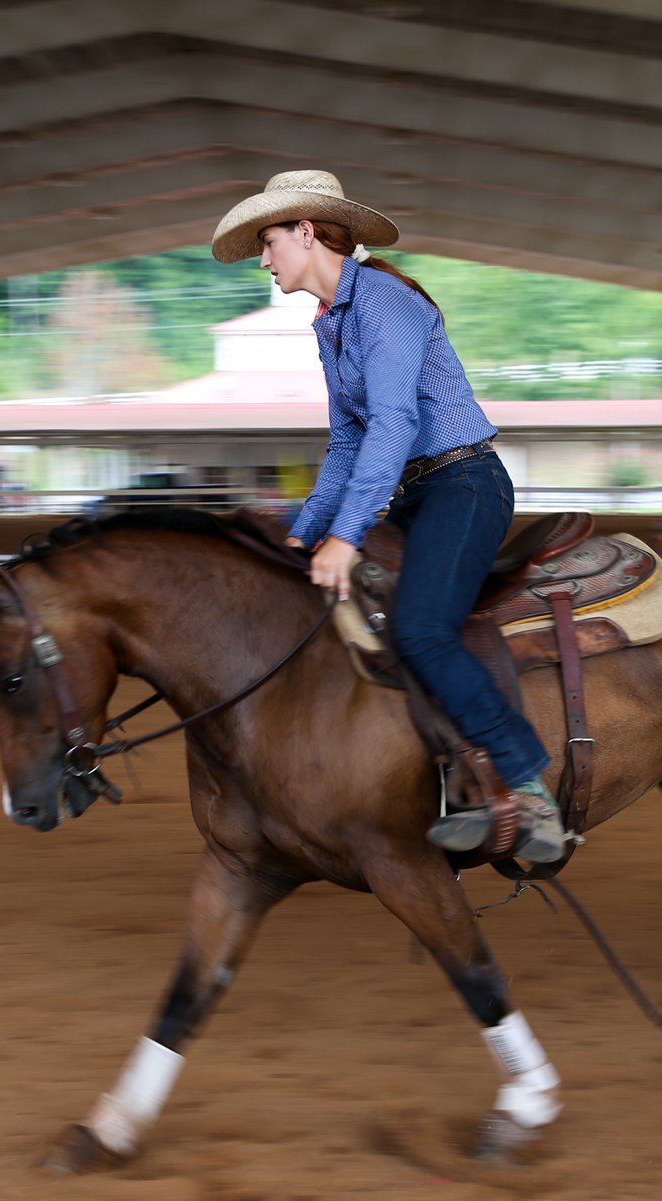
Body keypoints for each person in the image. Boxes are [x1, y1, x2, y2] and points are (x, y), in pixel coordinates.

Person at [211, 170, 569, 864]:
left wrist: (346, 535)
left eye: (269, 242)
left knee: (421, 629)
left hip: (464, 484)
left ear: (306, 232)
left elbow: (395, 423)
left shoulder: (382, 302)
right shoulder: (330, 325)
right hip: (411, 492)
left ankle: (528, 790)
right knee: (337, 612)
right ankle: (422, 782)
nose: (264, 259)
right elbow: (346, 442)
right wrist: (302, 533)